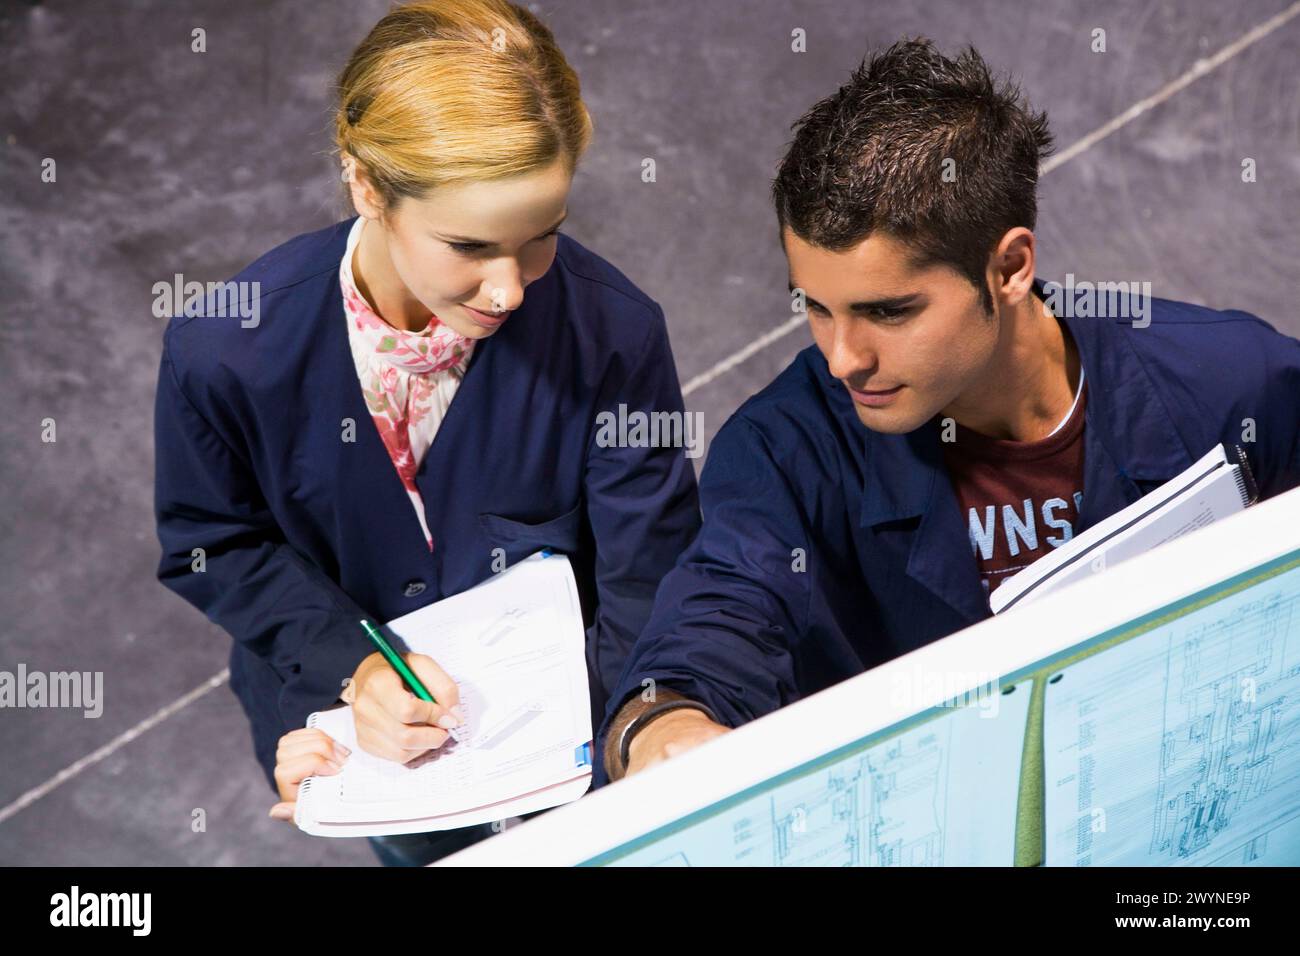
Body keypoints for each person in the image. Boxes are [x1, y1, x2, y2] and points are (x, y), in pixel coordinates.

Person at [598, 38, 1300, 783]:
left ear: (1009, 267)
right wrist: (661, 724)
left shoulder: (1232, 380)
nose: (843, 359)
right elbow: (723, 607)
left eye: (888, 312)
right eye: (817, 309)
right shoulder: (785, 452)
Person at [152, 0, 700, 866]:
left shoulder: (616, 335)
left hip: (578, 727)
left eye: (541, 238)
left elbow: (646, 575)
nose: (510, 289)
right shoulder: (223, 349)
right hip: (362, 736)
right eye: (469, 245)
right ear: (366, 185)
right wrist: (356, 668)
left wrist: (629, 739)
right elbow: (212, 546)